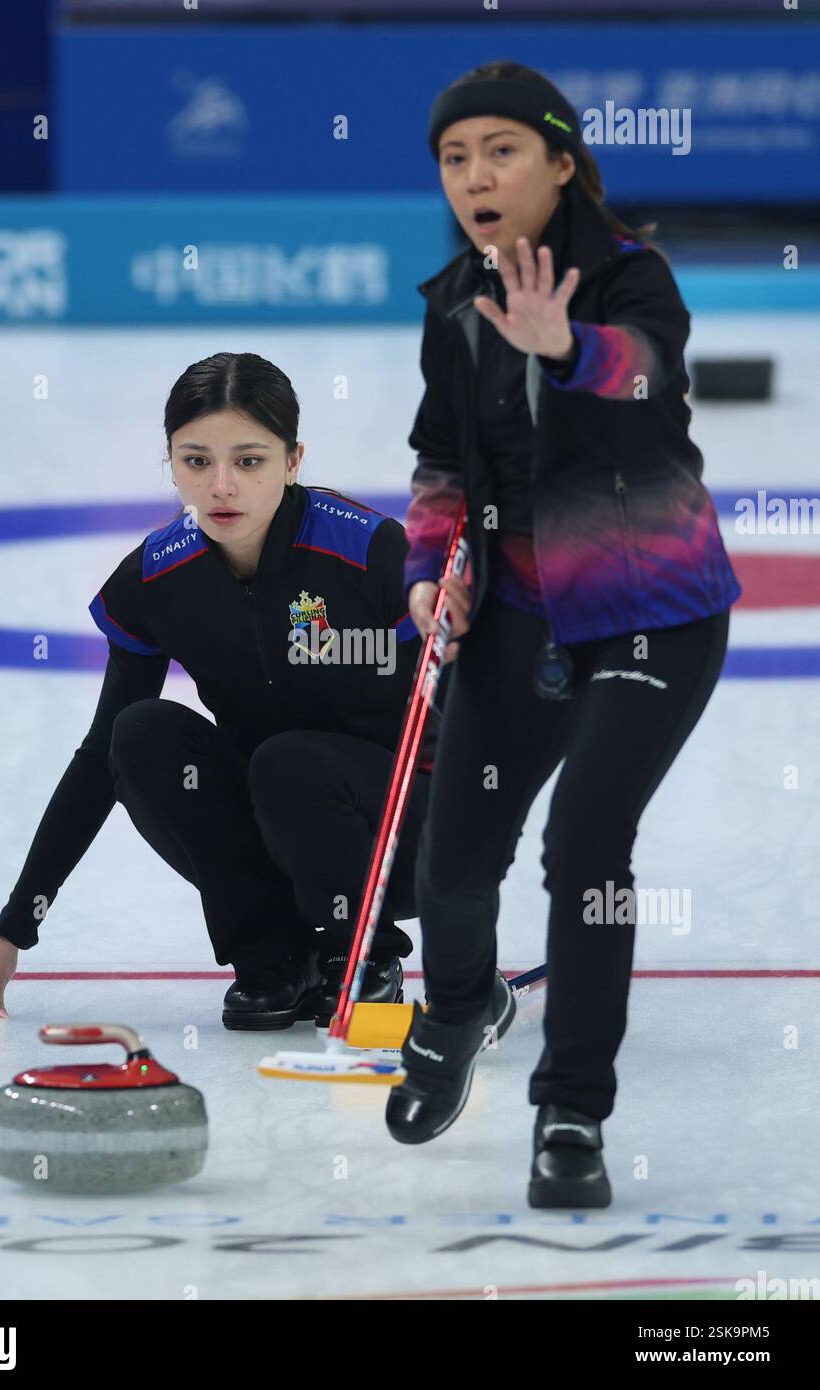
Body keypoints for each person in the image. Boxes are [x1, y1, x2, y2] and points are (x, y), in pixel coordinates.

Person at [384, 62, 741, 1210]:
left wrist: (562, 347)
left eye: (500, 151)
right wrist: (426, 573)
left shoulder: (635, 280)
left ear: (559, 164)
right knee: (452, 857)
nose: (475, 176)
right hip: (517, 615)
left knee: (585, 847)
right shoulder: (451, 301)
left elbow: (643, 380)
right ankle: (456, 1006)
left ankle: (570, 1109)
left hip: (649, 612)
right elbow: (442, 462)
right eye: (454, 157)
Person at [0, 352, 442, 1030]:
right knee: (141, 734)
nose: (220, 487)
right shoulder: (159, 576)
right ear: (170, 461)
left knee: (288, 761)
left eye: (248, 461)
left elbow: (463, 711)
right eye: (195, 461)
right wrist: (12, 929)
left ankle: (364, 955)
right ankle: (274, 957)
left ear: (292, 459)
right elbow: (101, 759)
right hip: (283, 824)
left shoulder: (369, 553)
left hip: (408, 831)